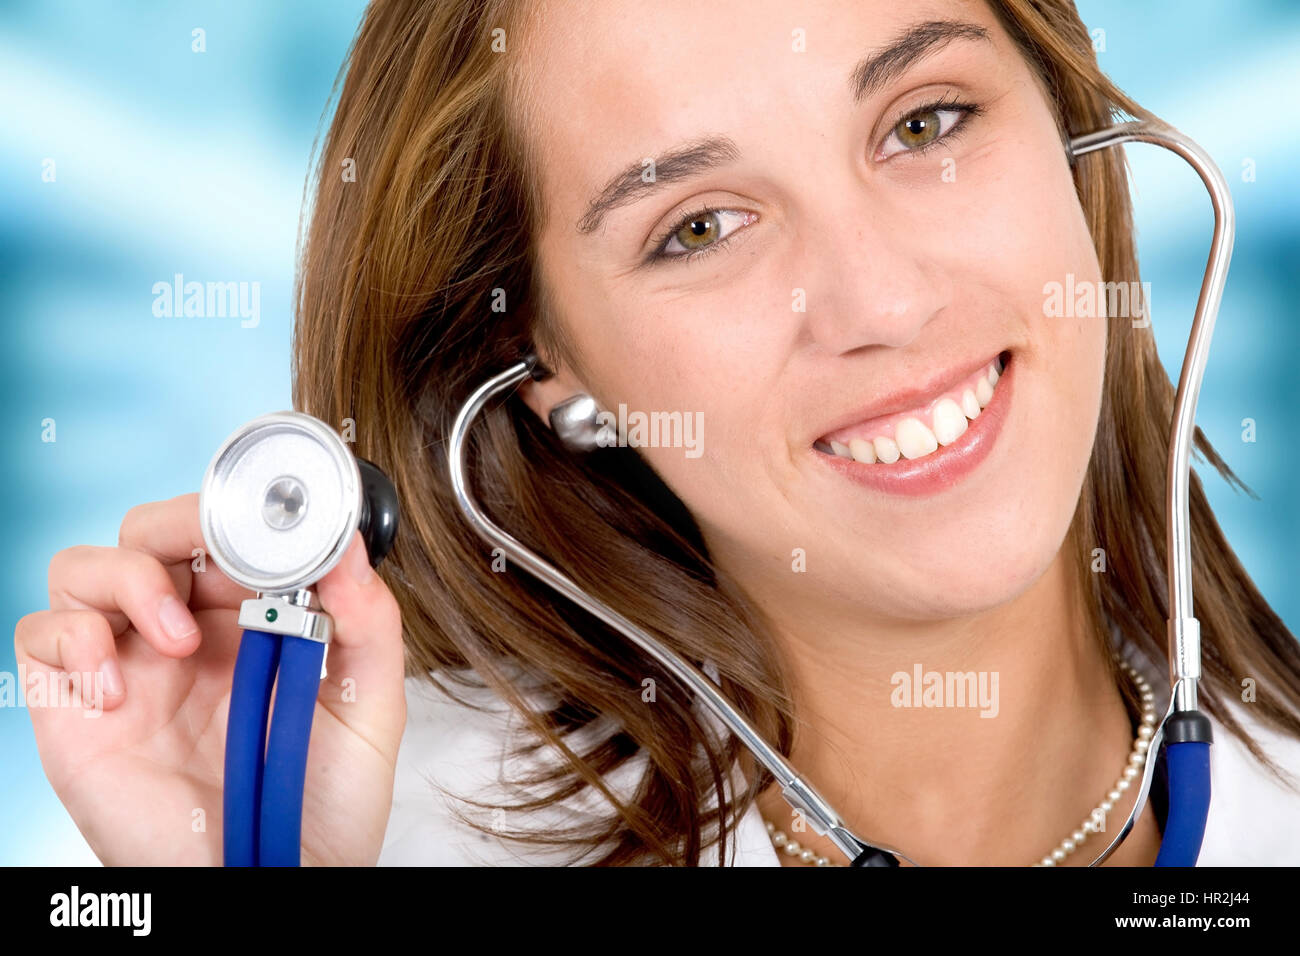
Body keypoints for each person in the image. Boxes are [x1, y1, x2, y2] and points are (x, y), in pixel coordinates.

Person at [17, 0, 1300, 867]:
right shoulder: (360, 828)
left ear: (1072, 137)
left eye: (924, 121)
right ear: (541, 368)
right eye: (698, 226)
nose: (884, 302)